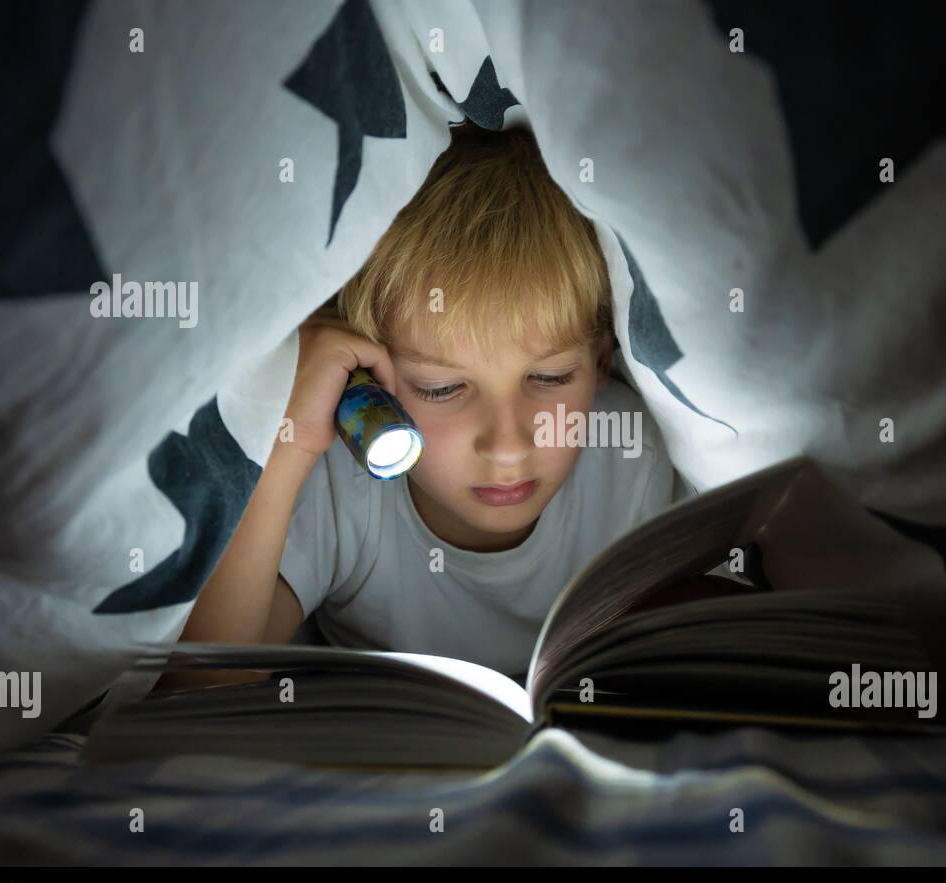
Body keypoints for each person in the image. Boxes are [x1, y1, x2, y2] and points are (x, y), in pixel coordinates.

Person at [166, 121, 689, 688]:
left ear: (603, 359)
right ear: (368, 380)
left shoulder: (635, 460)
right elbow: (205, 691)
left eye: (551, 376)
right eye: (443, 388)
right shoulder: (342, 486)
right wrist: (290, 442)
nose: (508, 444)